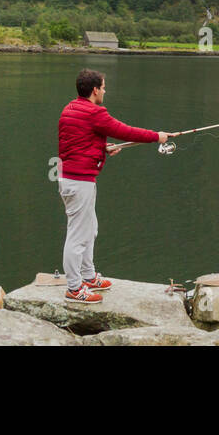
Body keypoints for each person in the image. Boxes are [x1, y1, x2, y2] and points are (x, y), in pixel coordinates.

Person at [57, 68, 170, 303]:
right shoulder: (94, 113)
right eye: (104, 87)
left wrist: (103, 147)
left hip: (72, 179)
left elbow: (75, 142)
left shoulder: (70, 109)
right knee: (78, 236)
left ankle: (88, 276)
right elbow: (124, 130)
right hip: (79, 182)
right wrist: (156, 136)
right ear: (95, 90)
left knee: (90, 229)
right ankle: (74, 288)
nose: (105, 91)